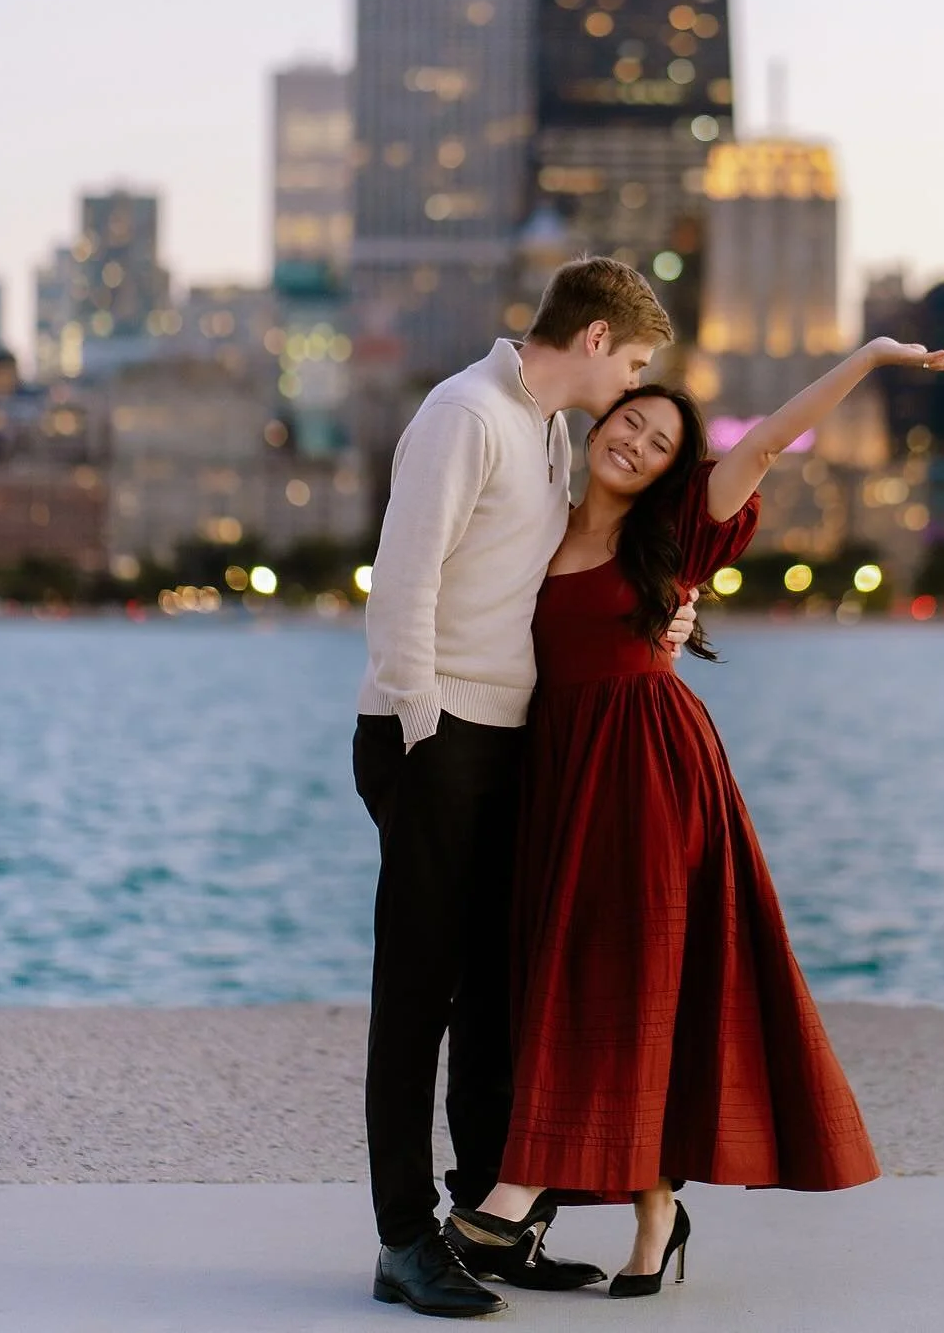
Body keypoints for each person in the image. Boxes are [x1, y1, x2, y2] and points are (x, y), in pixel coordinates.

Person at [449, 333, 944, 1295]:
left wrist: (873, 358)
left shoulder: (676, 529)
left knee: (627, 969)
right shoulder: (536, 522)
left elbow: (767, 443)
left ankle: (519, 1187)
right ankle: (656, 1215)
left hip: (651, 766)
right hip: (562, 772)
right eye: (631, 425)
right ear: (598, 423)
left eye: (658, 446)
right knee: (622, 976)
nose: (637, 447)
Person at [353, 257, 699, 1319]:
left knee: (500, 996)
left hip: (510, 741)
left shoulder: (549, 432)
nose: (634, 382)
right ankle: (406, 1241)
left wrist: (666, 621)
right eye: (635, 360)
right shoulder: (465, 414)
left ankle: (487, 1224)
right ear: (596, 341)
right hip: (436, 735)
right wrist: (421, 736)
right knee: (419, 998)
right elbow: (402, 583)